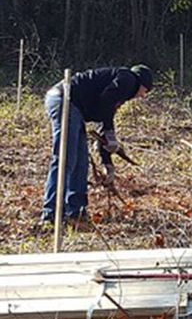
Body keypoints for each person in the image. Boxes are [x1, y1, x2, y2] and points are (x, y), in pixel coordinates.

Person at [41, 65, 153, 225]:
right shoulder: (128, 80)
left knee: (81, 163)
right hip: (65, 101)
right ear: (142, 83)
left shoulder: (119, 91)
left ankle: (76, 212)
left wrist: (108, 164)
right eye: (145, 91)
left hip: (74, 107)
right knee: (65, 159)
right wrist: (109, 132)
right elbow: (107, 103)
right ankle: (51, 213)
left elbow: (104, 121)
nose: (142, 96)